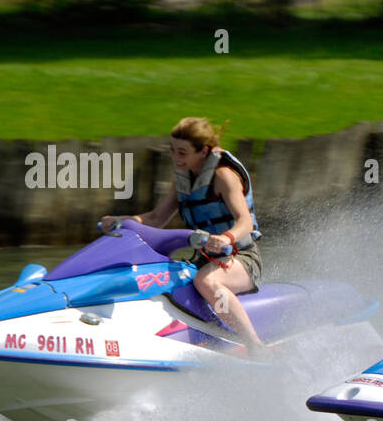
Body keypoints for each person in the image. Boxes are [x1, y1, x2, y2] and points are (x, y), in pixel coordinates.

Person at [99, 117, 265, 349]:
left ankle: (254, 346)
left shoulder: (224, 175)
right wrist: (122, 220)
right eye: (173, 151)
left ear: (203, 151)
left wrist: (225, 238)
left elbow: (245, 222)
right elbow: (156, 218)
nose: (176, 158)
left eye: (182, 152)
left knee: (207, 281)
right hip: (205, 257)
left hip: (241, 257)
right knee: (157, 276)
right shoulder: (183, 179)